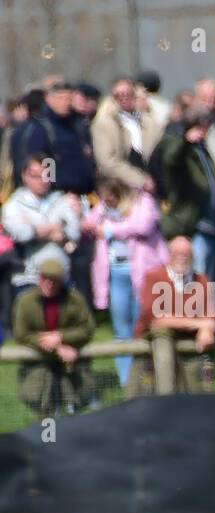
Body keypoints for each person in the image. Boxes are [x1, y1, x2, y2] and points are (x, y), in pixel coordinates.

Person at [81, 178, 167, 386]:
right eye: (103, 197)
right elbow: (88, 226)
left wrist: (111, 231)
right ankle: (127, 381)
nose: (105, 200)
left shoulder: (143, 203)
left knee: (143, 327)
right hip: (115, 274)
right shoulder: (104, 209)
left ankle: (148, 376)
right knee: (121, 329)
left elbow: (143, 226)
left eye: (109, 196)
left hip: (142, 274)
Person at [133, 236, 215, 392]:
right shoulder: (154, 278)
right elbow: (155, 319)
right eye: (177, 253)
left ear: (192, 257)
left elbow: (212, 316)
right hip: (153, 347)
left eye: (186, 254)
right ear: (169, 255)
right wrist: (199, 323)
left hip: (191, 346)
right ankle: (166, 398)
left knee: (196, 400)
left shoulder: (202, 281)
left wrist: (207, 329)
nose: (182, 257)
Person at [155, 105, 215, 281]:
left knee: (207, 283)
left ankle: (205, 309)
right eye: (204, 127)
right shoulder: (176, 143)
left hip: (212, 228)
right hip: (194, 227)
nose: (206, 131)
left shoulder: (202, 149)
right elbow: (171, 159)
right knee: (194, 280)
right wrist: (185, 141)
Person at [11, 257, 94, 413]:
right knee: (41, 404)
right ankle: (48, 433)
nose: (49, 284)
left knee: (77, 404)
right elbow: (21, 334)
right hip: (38, 362)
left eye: (54, 280)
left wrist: (61, 336)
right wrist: (56, 346)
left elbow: (87, 329)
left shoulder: (75, 300)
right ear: (39, 278)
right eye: (45, 278)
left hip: (72, 362)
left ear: (62, 280)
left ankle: (72, 417)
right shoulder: (25, 301)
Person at [3, 153, 81, 290]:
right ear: (25, 176)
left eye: (46, 175)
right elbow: (20, 234)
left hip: (61, 275)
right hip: (28, 277)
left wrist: (34, 229)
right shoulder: (14, 205)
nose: (42, 180)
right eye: (36, 176)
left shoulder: (61, 200)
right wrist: (54, 229)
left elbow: (75, 232)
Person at [91, 76, 163, 192]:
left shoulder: (149, 122)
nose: (123, 98)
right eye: (118, 95)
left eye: (127, 94)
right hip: (122, 188)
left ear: (135, 95)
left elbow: (161, 149)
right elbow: (107, 162)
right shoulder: (104, 124)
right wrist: (140, 180)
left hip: (154, 183)